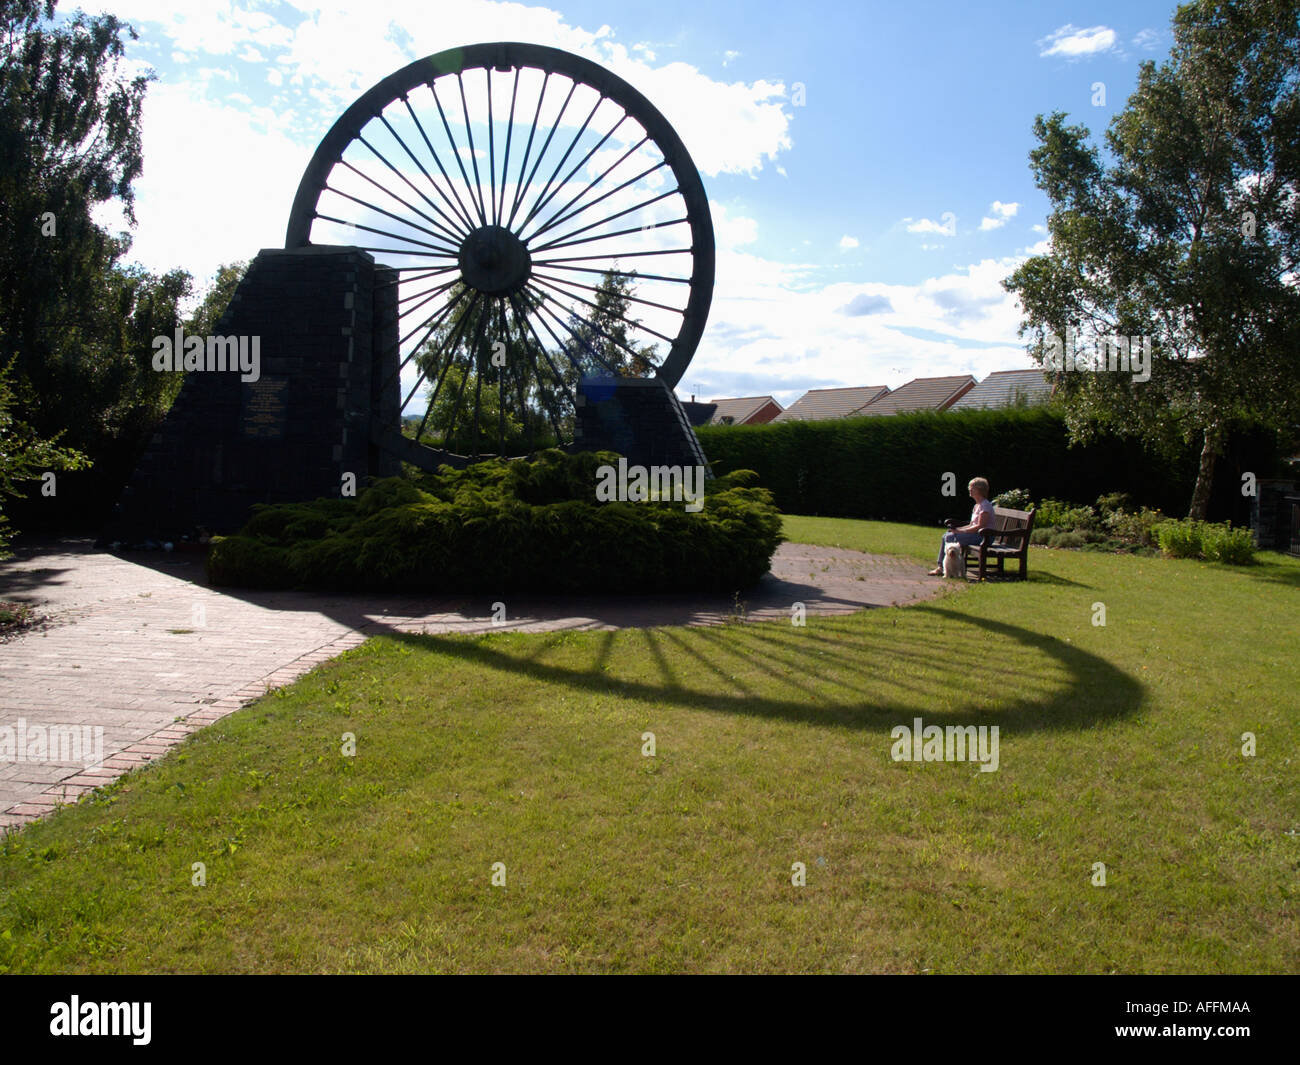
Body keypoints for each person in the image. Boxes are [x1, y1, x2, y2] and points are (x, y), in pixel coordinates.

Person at [929, 478, 995, 575]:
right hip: (976, 535)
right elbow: (972, 524)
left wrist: (961, 532)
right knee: (946, 535)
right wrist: (958, 529)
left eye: (972, 487)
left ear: (980, 490)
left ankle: (946, 569)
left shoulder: (985, 506)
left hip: (984, 537)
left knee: (949, 537)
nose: (970, 489)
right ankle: (942, 567)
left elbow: (980, 526)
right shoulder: (977, 505)